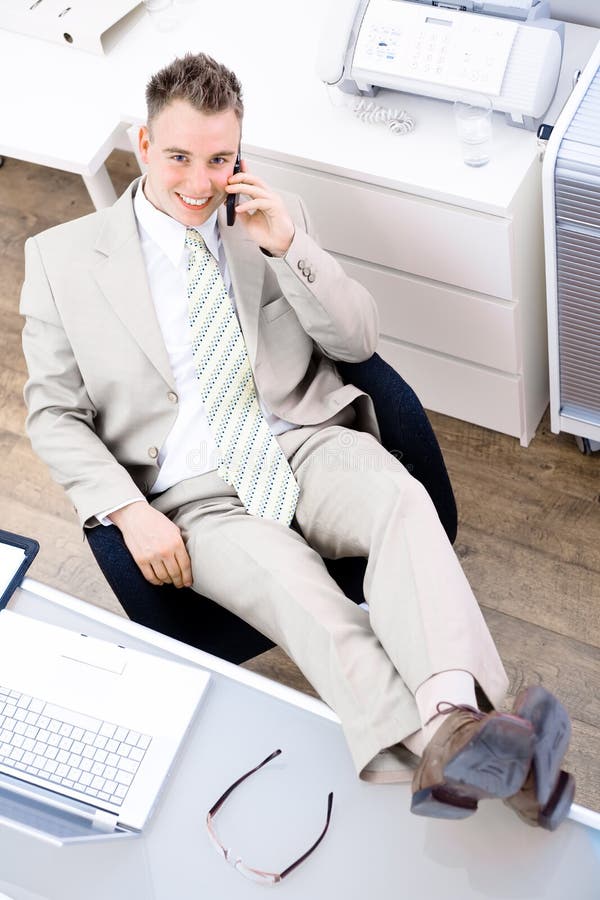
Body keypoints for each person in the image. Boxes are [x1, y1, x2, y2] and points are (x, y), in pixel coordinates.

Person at [20, 52, 574, 829]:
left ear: (238, 154)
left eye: (218, 159)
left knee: (397, 499)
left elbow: (357, 341)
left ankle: (454, 735)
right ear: (142, 145)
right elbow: (51, 413)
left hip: (305, 441)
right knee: (299, 592)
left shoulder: (274, 220)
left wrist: (288, 248)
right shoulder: (61, 260)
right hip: (193, 499)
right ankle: (480, 749)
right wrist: (124, 510)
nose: (198, 182)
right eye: (178, 156)